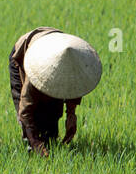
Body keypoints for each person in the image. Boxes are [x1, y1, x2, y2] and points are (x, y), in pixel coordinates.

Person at [9, 28, 102, 156]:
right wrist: (35, 142)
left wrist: (71, 115)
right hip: (26, 51)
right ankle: (30, 147)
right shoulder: (36, 73)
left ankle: (49, 143)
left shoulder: (77, 66)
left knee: (52, 122)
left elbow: (74, 89)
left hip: (58, 46)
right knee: (30, 125)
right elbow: (25, 111)